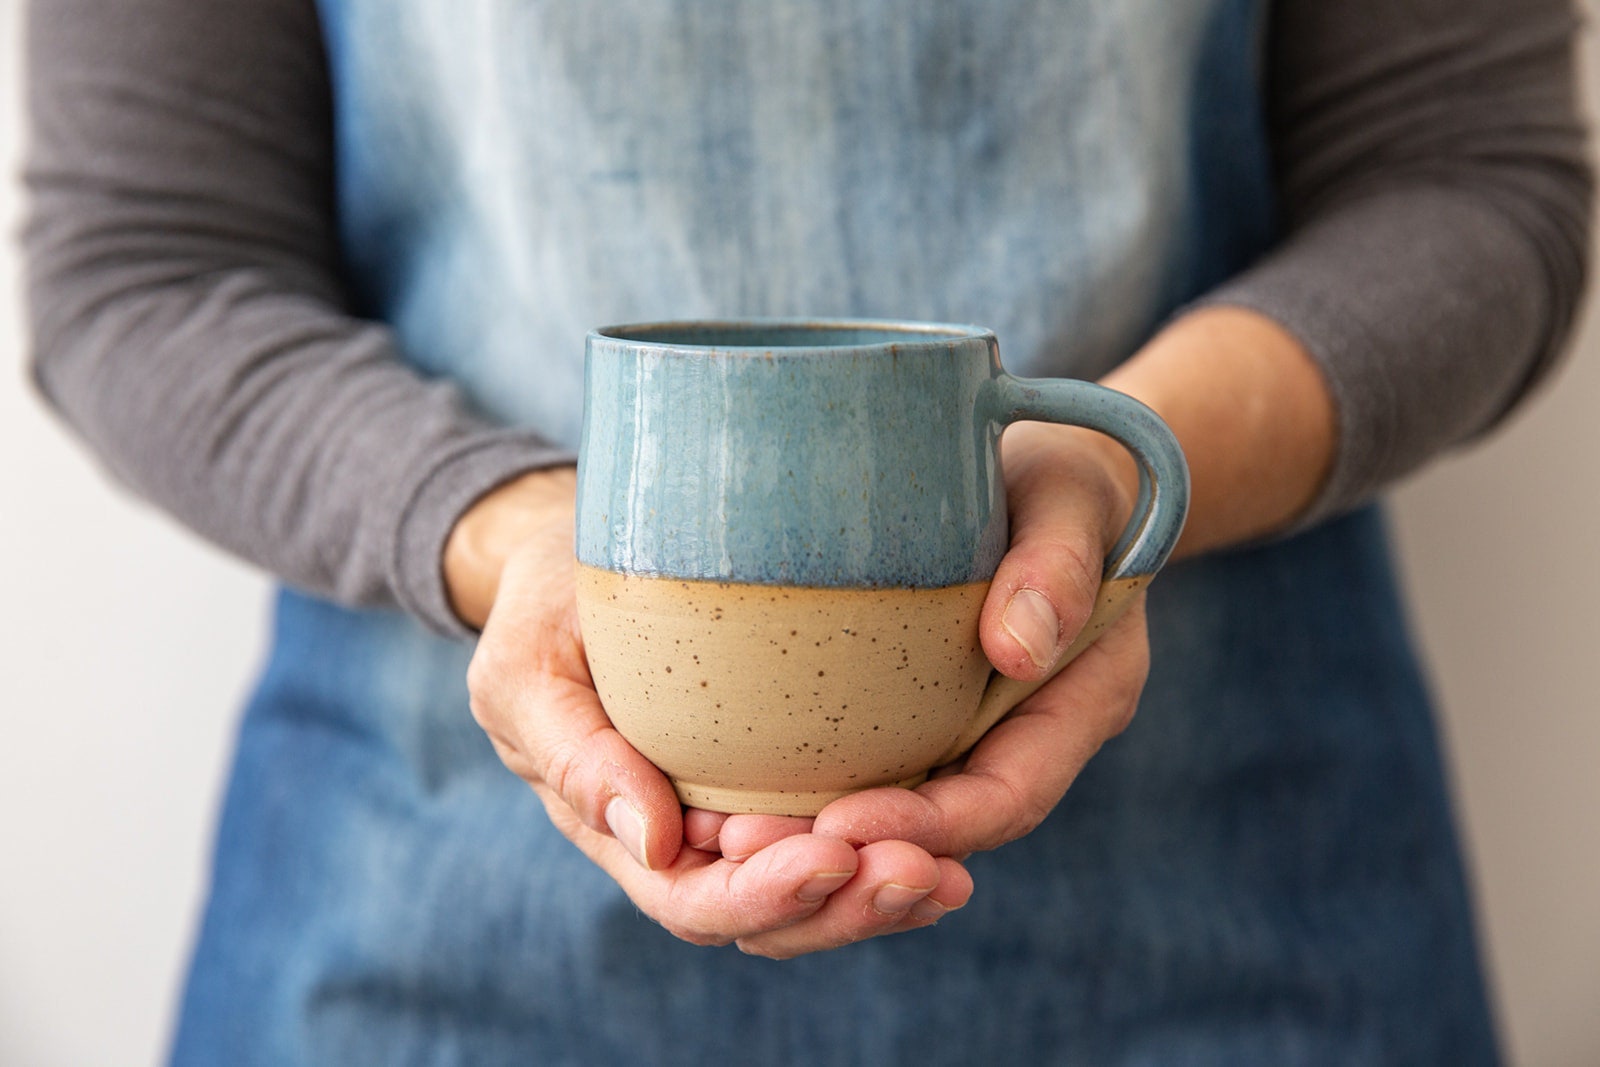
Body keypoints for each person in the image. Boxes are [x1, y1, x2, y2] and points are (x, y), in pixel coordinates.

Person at [22, 0, 1590, 1062]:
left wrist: (1111, 484)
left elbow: (1465, 179)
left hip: (1238, 921)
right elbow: (150, 261)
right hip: (414, 932)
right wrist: (504, 536)